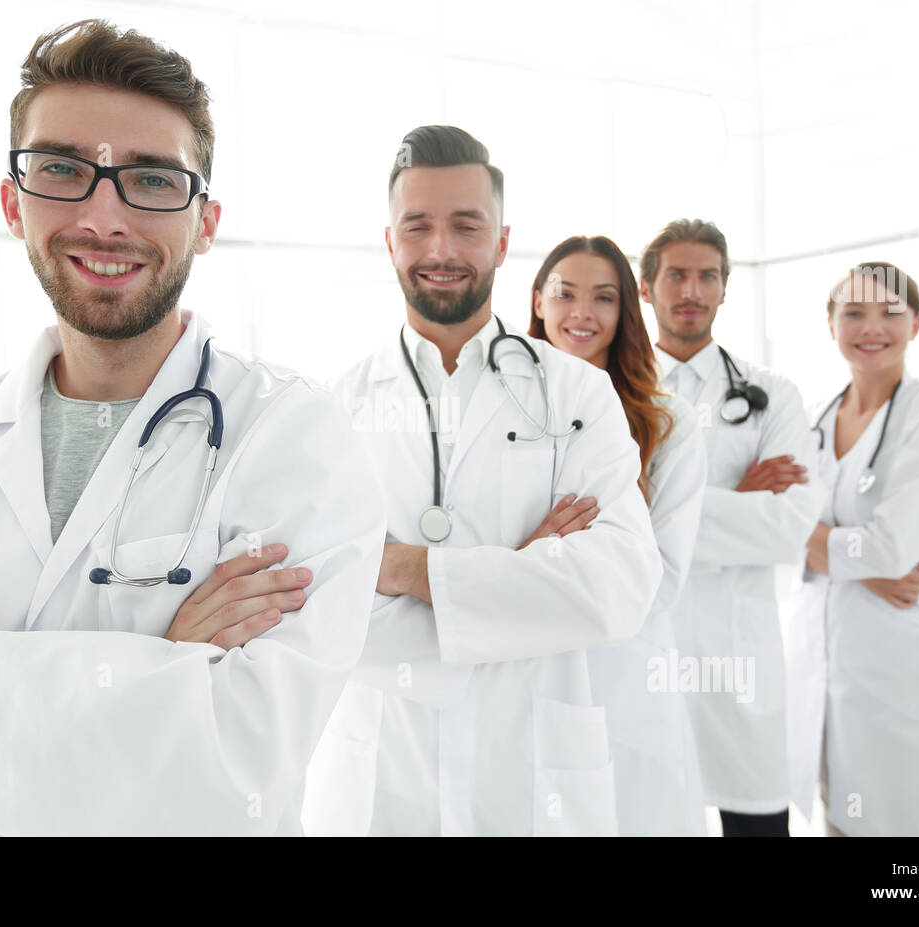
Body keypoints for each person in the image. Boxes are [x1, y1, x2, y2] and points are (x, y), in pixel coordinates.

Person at [0, 19, 385, 837]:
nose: (103, 216)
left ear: (206, 220)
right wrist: (156, 674)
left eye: (154, 179)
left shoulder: (294, 440)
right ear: (10, 200)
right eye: (61, 169)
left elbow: (232, 766)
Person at [302, 127, 662, 836]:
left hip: (532, 775)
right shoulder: (333, 408)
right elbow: (319, 609)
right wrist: (524, 583)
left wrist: (403, 567)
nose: (441, 250)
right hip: (382, 779)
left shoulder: (577, 394)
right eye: (419, 226)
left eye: (466, 226)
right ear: (390, 242)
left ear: (501, 243)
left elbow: (620, 587)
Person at [641, 218, 825, 837]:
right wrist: (735, 500)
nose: (692, 290)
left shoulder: (773, 393)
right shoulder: (614, 394)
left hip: (736, 652)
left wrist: (655, 510)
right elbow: (602, 522)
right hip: (643, 646)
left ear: (724, 288)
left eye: (708, 276)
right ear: (647, 288)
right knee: (649, 813)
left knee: (756, 824)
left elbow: (786, 529)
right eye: (677, 275)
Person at [784, 262, 919, 836]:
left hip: (896, 649)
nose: (873, 327)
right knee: (838, 805)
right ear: (831, 323)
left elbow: (892, 552)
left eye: (891, 313)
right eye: (854, 312)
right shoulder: (813, 418)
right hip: (819, 643)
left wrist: (803, 535)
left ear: (916, 324)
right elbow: (776, 525)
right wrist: (861, 565)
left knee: (909, 814)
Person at [529, 235, 709, 836]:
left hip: (626, 673)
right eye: (566, 293)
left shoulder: (667, 421)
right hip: (520, 665)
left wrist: (534, 564)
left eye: (604, 298)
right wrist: (554, 561)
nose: (582, 313)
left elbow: (660, 580)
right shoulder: (495, 411)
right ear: (537, 301)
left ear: (625, 311)